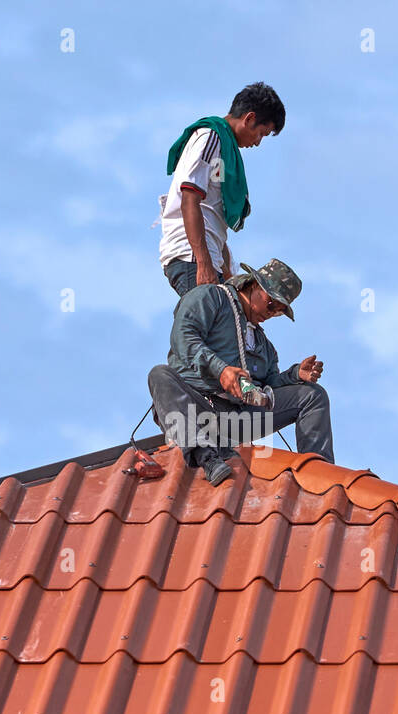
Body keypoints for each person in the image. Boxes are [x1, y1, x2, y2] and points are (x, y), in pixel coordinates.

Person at [147, 258, 332, 485]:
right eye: (270, 303)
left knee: (314, 395)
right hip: (196, 410)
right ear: (254, 285)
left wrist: (295, 376)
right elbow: (183, 338)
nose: (270, 312)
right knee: (159, 375)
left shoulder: (265, 348)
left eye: (279, 311)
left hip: (236, 418)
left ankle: (321, 476)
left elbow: (269, 387)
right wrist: (221, 370)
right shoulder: (211, 298)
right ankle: (207, 457)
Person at [158, 83, 286, 298]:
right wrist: (204, 264)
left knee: (224, 328)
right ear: (249, 118)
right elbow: (189, 198)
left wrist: (227, 277)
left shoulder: (224, 153)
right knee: (204, 328)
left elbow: (213, 214)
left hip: (208, 257)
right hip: (192, 257)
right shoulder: (211, 137)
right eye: (261, 134)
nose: (257, 143)